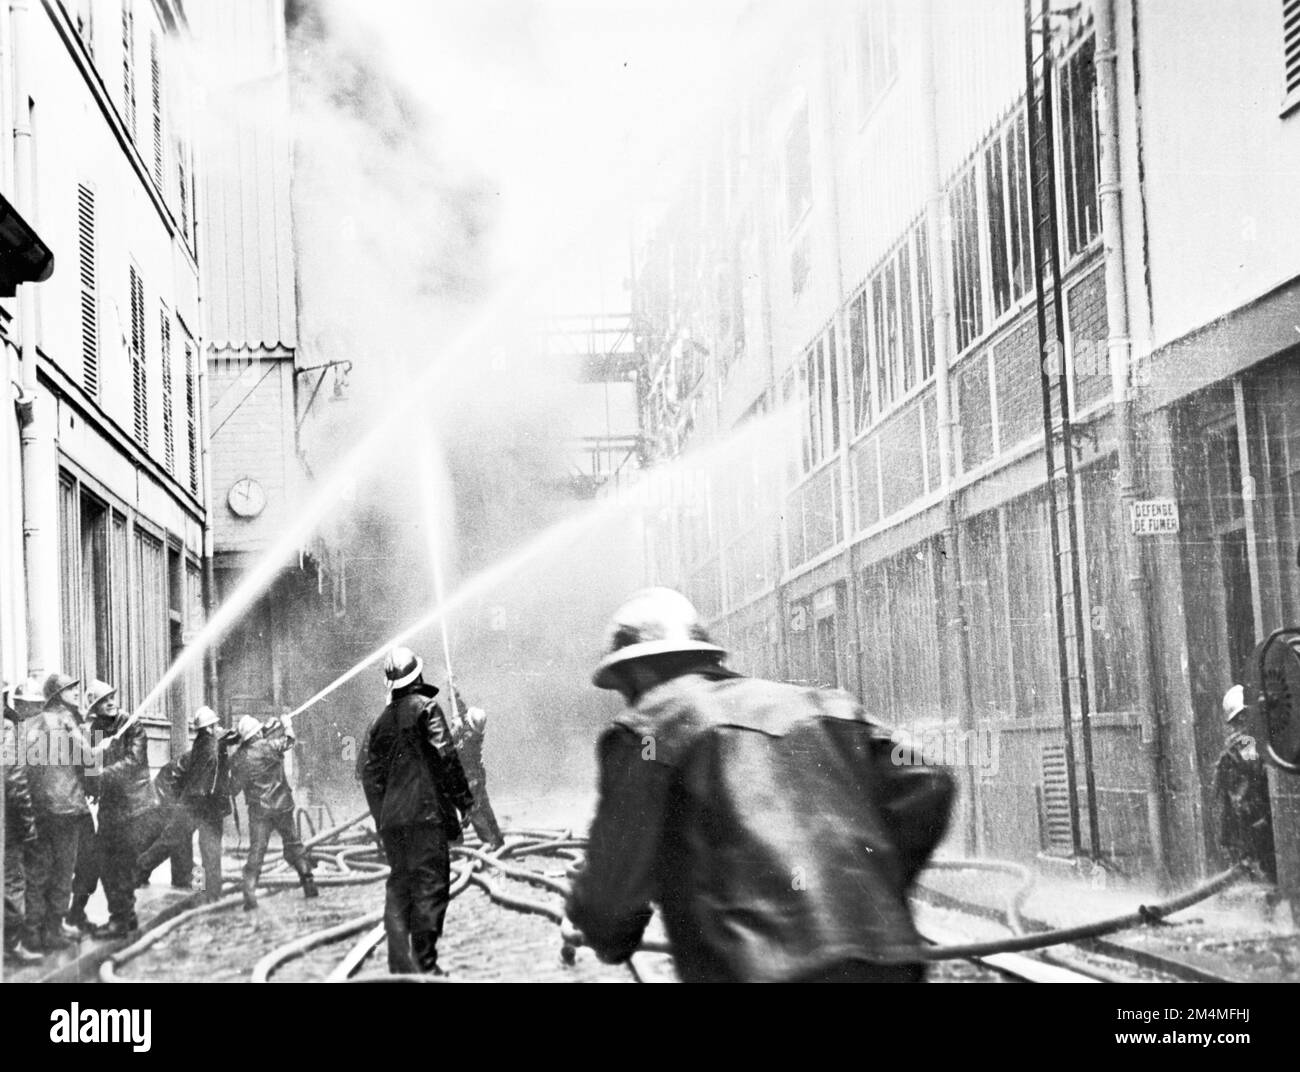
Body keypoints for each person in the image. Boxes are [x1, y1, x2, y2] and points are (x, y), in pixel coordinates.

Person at [566, 588, 956, 983]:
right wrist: (874, 885)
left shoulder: (648, 732)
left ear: (639, 673)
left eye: (623, 687)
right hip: (887, 963)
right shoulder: (825, 706)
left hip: (757, 970)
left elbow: (612, 894)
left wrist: (603, 931)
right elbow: (928, 780)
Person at [362, 647, 473, 975]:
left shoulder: (378, 724)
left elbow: (371, 778)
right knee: (430, 885)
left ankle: (399, 965)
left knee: (399, 887)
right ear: (418, 676)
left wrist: (383, 817)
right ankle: (425, 966)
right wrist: (463, 801)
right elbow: (446, 756)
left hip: (393, 823)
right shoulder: (427, 708)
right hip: (425, 818)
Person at [21, 673, 92, 952]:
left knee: (38, 871)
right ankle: (53, 931)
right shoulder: (66, 719)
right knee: (63, 870)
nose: (76, 691)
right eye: (70, 688)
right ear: (57, 694)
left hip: (38, 808)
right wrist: (99, 750)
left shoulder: (29, 723)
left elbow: (22, 768)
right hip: (66, 808)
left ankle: (32, 933)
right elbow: (87, 757)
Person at [83, 682, 158, 937]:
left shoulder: (131, 724)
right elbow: (91, 768)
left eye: (112, 697)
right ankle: (127, 916)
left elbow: (134, 763)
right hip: (110, 808)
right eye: (104, 700)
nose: (111, 702)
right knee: (108, 862)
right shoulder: (95, 730)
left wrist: (101, 772)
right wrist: (93, 769)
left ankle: (120, 920)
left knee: (120, 863)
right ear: (95, 706)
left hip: (134, 806)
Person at [136, 707, 232, 903]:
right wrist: (93, 781)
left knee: (177, 839)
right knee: (172, 838)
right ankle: (135, 872)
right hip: (167, 792)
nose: (110, 702)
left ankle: (184, 879)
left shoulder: (206, 745)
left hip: (184, 796)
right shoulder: (99, 729)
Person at [228, 713, 317, 910]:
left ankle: (249, 895)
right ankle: (309, 883)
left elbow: (233, 788)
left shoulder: (240, 758)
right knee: (294, 845)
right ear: (257, 732)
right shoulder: (270, 746)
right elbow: (289, 740)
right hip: (283, 806)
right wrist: (287, 724)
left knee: (257, 851)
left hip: (259, 812)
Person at [1214, 685, 1278, 885]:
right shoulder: (1244, 744)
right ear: (1241, 718)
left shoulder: (1249, 742)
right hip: (1253, 830)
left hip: (1255, 827)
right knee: (1266, 879)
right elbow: (1246, 794)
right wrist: (1264, 820)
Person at [3, 682, 42, 965]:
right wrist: (29, 825)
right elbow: (16, 782)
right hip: (10, 825)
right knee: (14, 882)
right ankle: (12, 945)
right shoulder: (8, 732)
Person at [445, 687, 504, 851]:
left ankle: (490, 844)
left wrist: (454, 730)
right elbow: (462, 711)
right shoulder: (471, 730)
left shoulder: (469, 739)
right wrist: (454, 694)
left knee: (475, 812)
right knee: (485, 808)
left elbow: (451, 749)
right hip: (476, 776)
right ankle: (497, 841)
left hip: (470, 779)